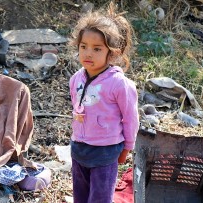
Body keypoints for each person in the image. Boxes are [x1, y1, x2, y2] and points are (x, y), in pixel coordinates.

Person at [68, 2, 139, 203]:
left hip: (105, 151)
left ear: (112, 53)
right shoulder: (76, 79)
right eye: (83, 47)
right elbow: (77, 109)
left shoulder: (119, 84)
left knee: (100, 198)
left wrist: (127, 148)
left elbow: (130, 119)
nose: (88, 53)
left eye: (97, 49)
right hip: (79, 149)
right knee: (80, 197)